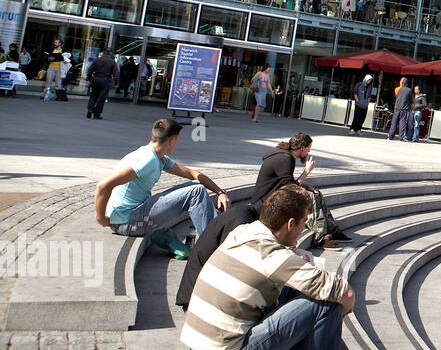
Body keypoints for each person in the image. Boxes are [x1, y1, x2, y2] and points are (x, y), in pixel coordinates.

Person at [180, 185, 358, 350]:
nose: (303, 229)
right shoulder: (273, 256)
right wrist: (343, 309)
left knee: (299, 290)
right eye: (303, 223)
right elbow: (344, 291)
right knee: (325, 302)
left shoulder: (243, 233)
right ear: (290, 224)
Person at [94, 118, 230, 259]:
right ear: (171, 140)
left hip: (132, 217)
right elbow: (103, 186)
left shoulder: (157, 157)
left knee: (196, 186)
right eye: (178, 139)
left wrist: (220, 192)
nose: (178, 143)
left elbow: (192, 174)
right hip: (128, 223)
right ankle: (210, 247)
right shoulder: (148, 160)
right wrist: (101, 218)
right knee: (196, 192)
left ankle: (216, 234)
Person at [250, 132, 349, 251]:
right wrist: (306, 172)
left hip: (274, 194)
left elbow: (287, 182)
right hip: (265, 201)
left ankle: (331, 230)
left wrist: (306, 186)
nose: (308, 152)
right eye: (308, 149)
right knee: (309, 196)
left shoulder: (286, 156)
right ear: (302, 147)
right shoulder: (285, 158)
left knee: (316, 193)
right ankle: (320, 238)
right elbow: (290, 186)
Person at [85, 49, 118, 120]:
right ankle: (97, 114)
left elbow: (90, 70)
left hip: (96, 78)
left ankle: (90, 109)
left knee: (93, 95)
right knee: (101, 97)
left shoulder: (97, 60)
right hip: (105, 80)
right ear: (110, 54)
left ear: (103, 54)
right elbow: (115, 73)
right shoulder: (112, 62)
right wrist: (116, 82)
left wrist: (89, 78)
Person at [387, 77, 413, 141]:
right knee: (402, 123)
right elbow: (411, 100)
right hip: (404, 109)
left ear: (401, 82)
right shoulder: (409, 90)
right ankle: (401, 137)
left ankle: (390, 136)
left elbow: (396, 97)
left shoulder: (397, 89)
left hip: (397, 108)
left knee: (394, 123)